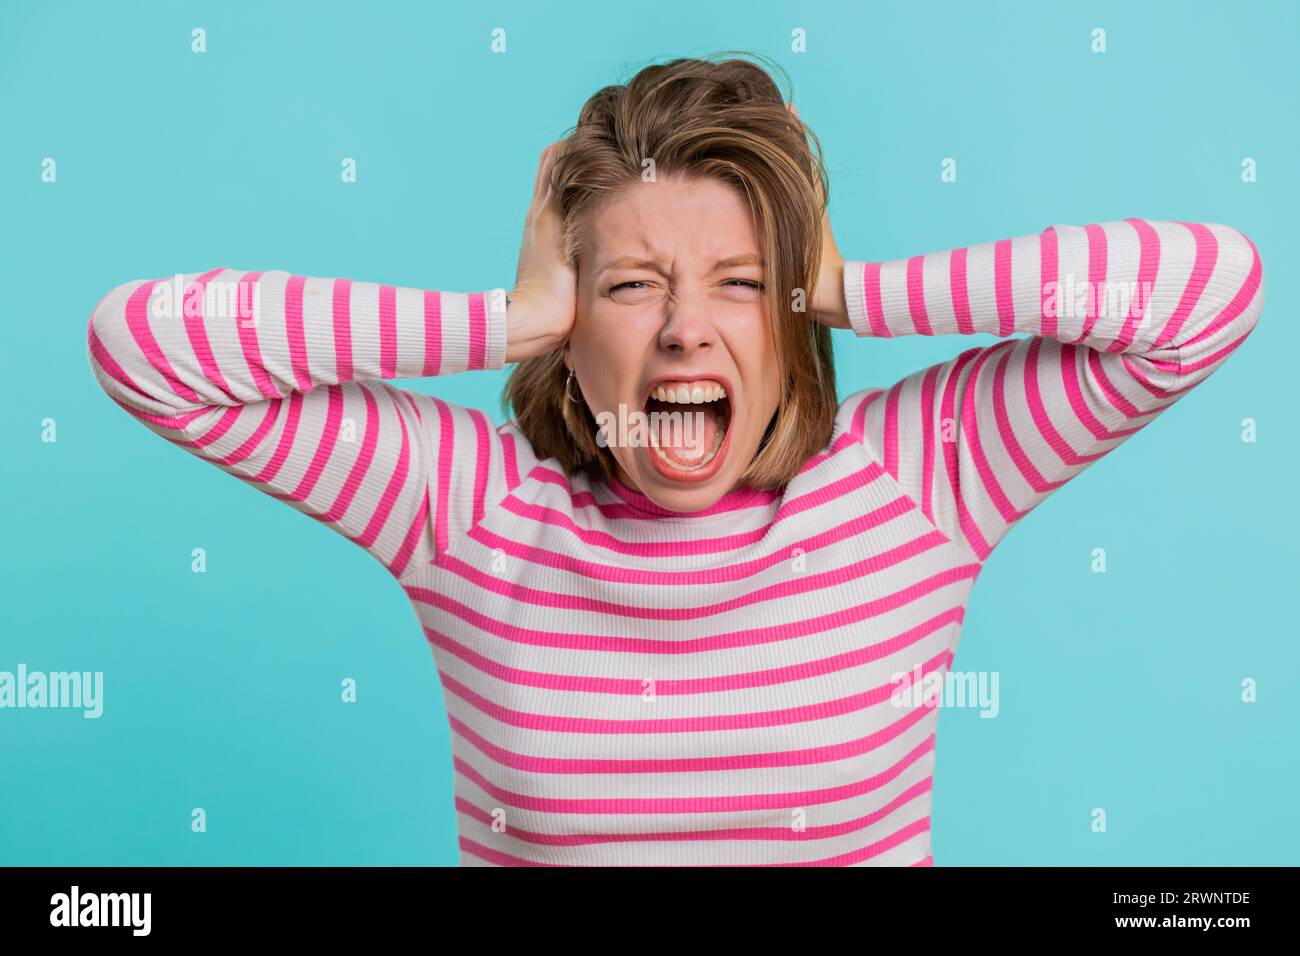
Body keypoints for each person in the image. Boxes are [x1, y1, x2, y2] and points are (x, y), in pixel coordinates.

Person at [86, 55, 1265, 866]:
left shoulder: (915, 480)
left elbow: (1207, 291)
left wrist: (850, 288)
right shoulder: (470, 509)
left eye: (743, 282)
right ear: (573, 326)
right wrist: (503, 316)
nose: (687, 328)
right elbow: (145, 348)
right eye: (632, 284)